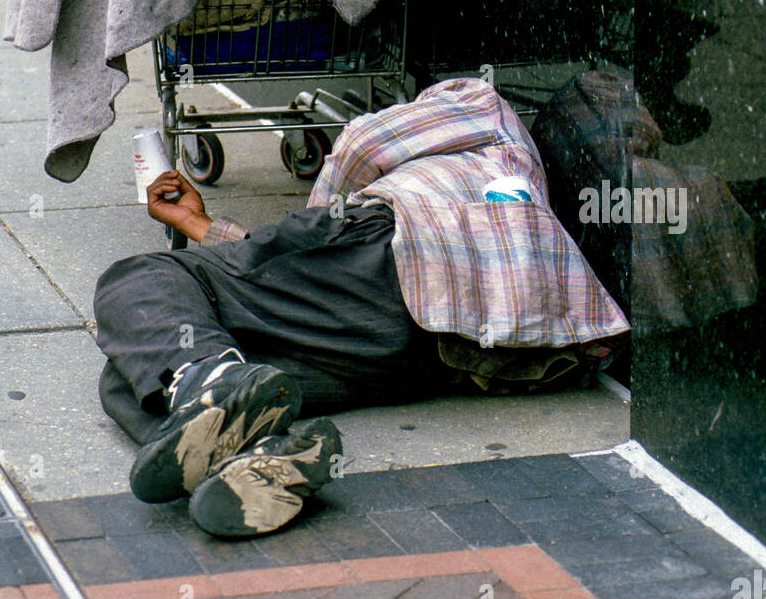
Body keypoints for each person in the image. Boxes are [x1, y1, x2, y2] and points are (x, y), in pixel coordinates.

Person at [93, 78, 628, 539]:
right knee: (135, 376)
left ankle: (212, 389)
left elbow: (359, 146)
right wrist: (202, 226)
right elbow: (303, 288)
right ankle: (263, 455)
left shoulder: (476, 98)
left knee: (142, 277)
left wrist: (321, 211)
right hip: (448, 356)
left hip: (391, 255)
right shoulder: (527, 207)